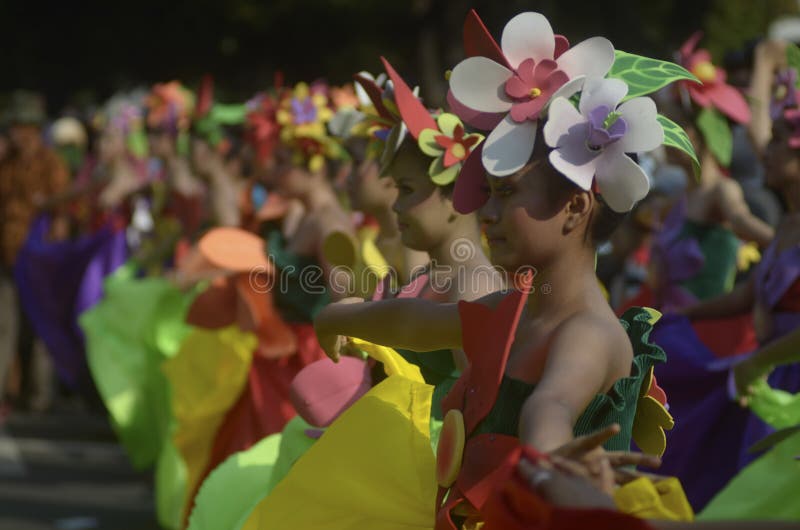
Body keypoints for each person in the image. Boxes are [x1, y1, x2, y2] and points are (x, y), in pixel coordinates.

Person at [250, 10, 694, 529]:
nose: (485, 213)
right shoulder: (517, 309)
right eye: (487, 194)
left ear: (575, 208)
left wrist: (550, 461)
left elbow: (546, 410)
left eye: (505, 194)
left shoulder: (587, 334)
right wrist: (340, 318)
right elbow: (412, 322)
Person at [652, 38, 800, 513]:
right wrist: (677, 317)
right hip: (767, 373)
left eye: (778, 141)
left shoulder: (729, 195)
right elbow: (756, 290)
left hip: (777, 375)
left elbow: (745, 230)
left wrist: (756, 364)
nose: (764, 151)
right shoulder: (788, 224)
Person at [0, 91, 69, 412]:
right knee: (5, 325)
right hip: (8, 256)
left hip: (39, 259)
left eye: (18, 126)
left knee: (40, 328)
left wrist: (53, 253)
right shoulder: (6, 163)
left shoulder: (50, 164)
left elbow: (62, 211)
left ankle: (40, 395)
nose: (14, 133)